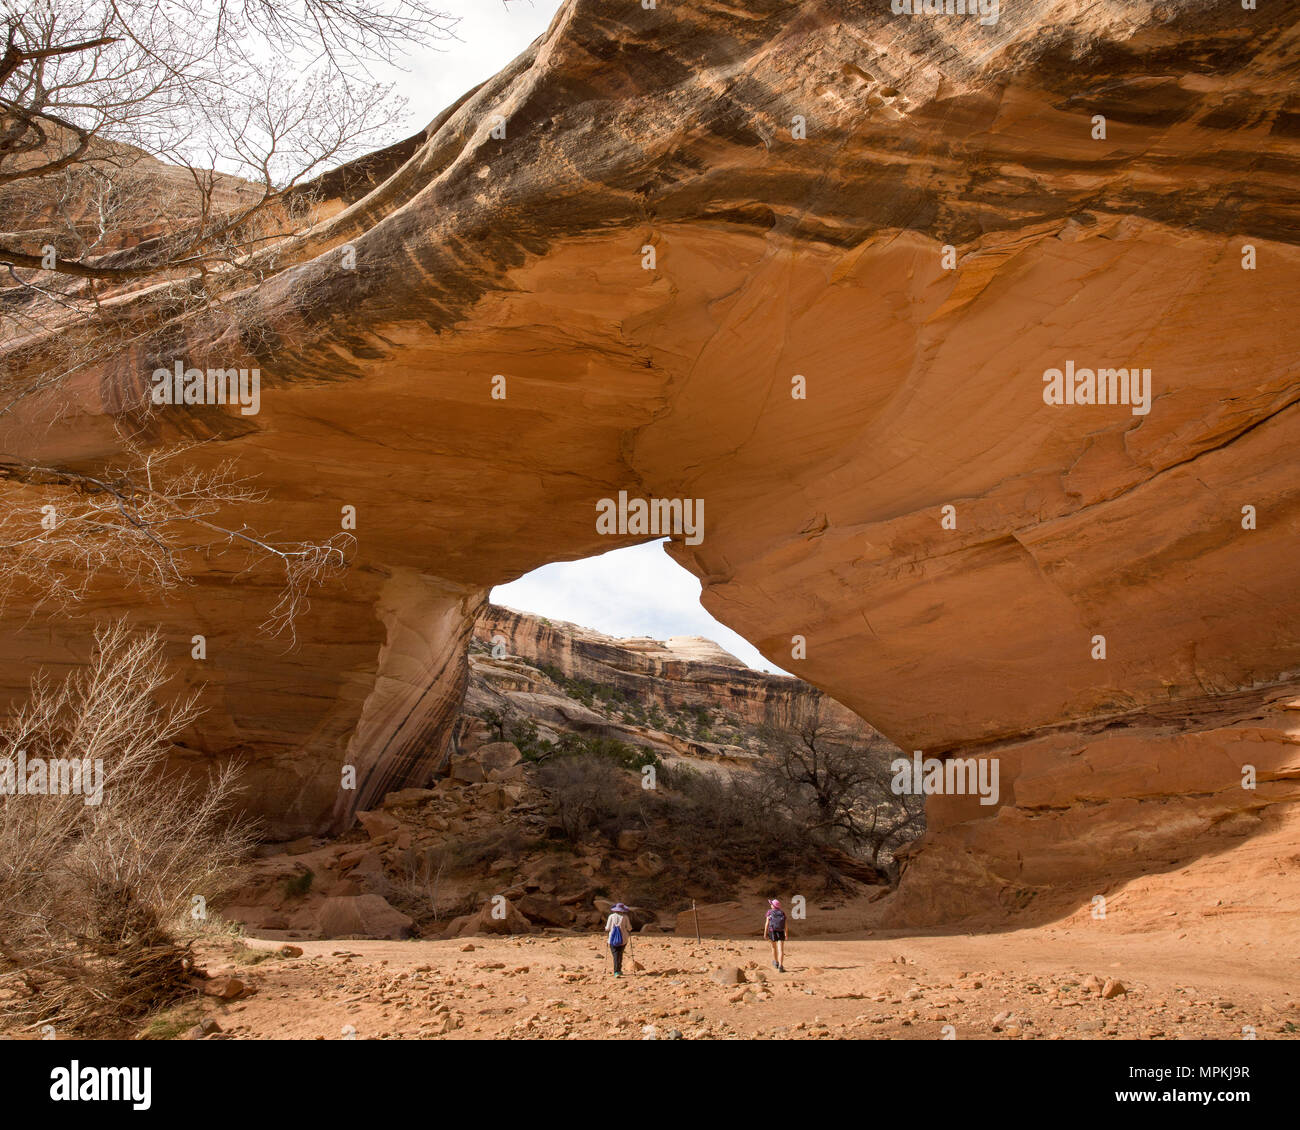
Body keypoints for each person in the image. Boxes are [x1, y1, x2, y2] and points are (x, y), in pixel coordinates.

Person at [605, 902, 632, 977]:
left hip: (612, 939)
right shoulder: (625, 917)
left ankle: (616, 971)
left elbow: (607, 928)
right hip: (623, 939)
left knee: (615, 954)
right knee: (620, 954)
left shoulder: (611, 916)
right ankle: (618, 970)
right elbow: (629, 927)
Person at [764, 898, 787, 972]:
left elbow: (767, 924)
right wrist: (786, 933)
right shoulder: (782, 913)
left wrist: (765, 933)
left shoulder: (769, 912)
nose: (770, 905)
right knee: (781, 949)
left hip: (772, 931)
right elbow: (786, 925)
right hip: (781, 931)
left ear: (773, 906)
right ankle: (781, 966)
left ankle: (776, 962)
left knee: (774, 948)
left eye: (771, 904)